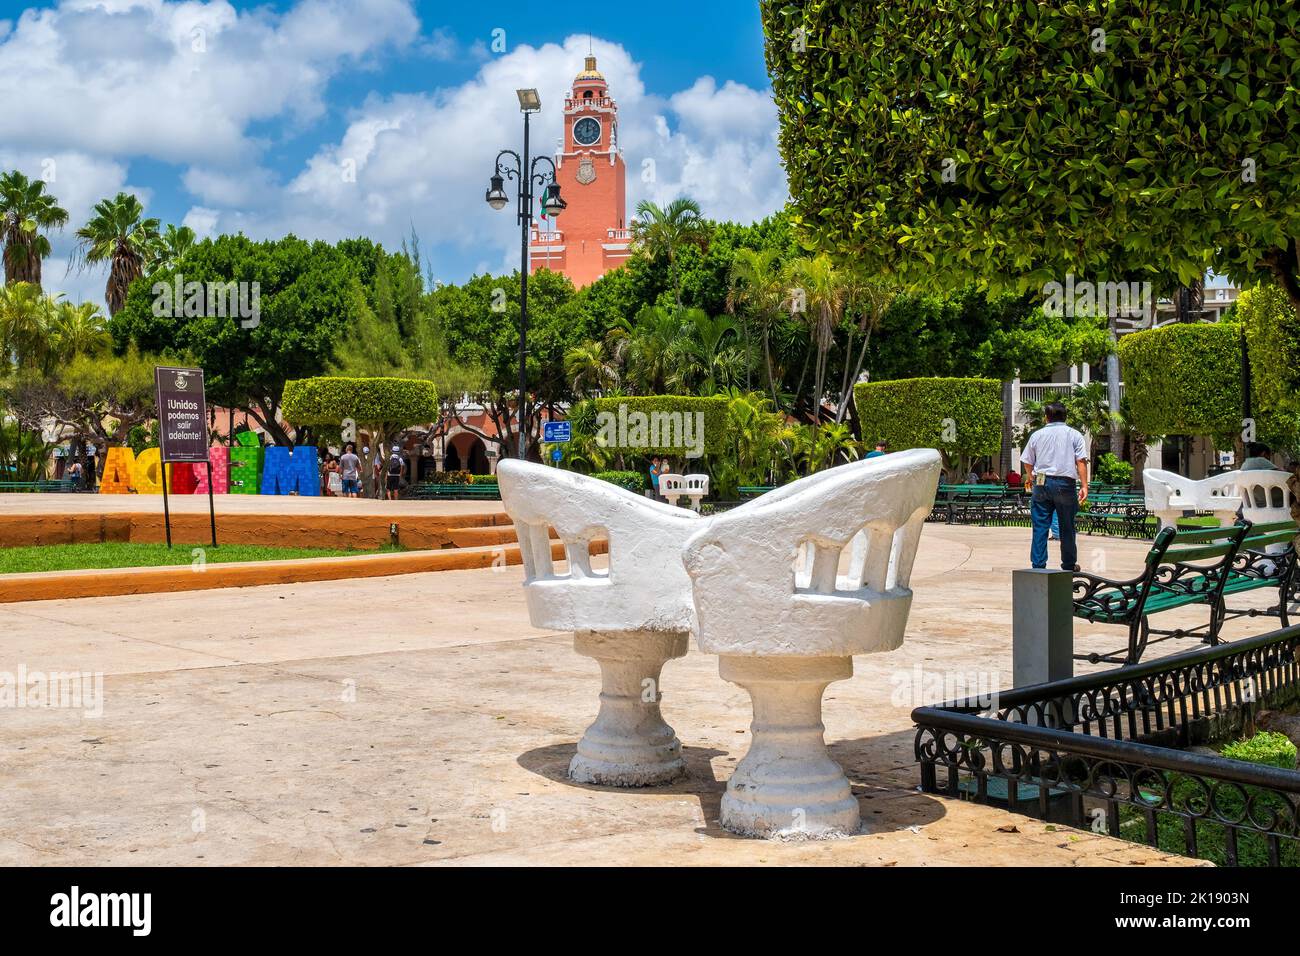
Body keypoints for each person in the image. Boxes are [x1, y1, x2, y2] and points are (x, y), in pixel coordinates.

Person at [1021, 401, 1089, 571]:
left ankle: (1038, 565)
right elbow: (1081, 461)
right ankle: (1068, 564)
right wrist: (1084, 486)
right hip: (1065, 483)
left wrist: (1031, 477)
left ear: (1046, 417)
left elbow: (1027, 461)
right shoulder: (1074, 435)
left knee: (1040, 525)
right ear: (1065, 416)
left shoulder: (1037, 435)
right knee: (1067, 526)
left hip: (1041, 481)